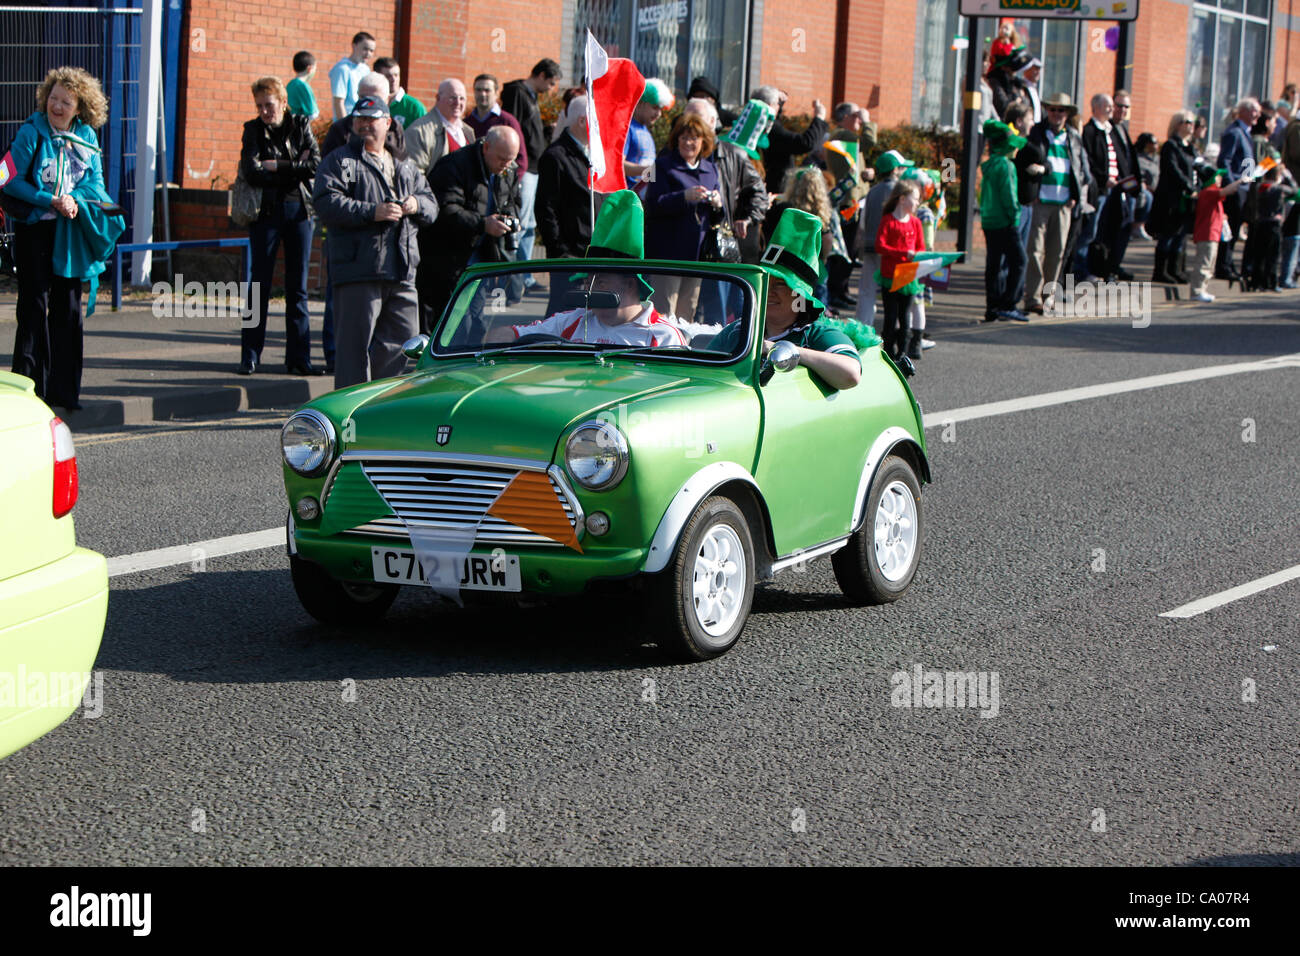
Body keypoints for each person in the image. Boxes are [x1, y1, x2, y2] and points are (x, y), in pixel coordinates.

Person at [3, 66, 122, 412]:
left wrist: (74, 199)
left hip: (70, 230)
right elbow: (8, 180)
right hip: (34, 230)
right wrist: (49, 199)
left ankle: (64, 393)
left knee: (68, 311)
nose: (57, 107)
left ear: (80, 106)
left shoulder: (87, 136)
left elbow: (95, 183)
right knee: (33, 307)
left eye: (65, 102)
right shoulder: (31, 132)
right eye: (53, 99)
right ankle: (29, 391)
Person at [311, 96, 438, 389]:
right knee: (353, 351)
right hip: (360, 269)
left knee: (402, 346)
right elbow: (326, 201)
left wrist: (414, 204)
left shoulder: (403, 164)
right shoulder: (343, 160)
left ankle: (384, 412)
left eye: (372, 119)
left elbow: (432, 204)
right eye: (360, 120)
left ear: (388, 123)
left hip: (402, 270)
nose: (365, 125)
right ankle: (348, 418)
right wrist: (372, 212)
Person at [486, 190, 686, 347]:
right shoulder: (572, 321)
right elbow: (509, 334)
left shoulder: (665, 338)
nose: (589, 288)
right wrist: (500, 342)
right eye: (588, 279)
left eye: (600, 280)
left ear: (631, 284)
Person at [710, 208, 862, 390]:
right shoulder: (739, 330)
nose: (769, 291)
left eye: (780, 284)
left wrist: (787, 350)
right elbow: (702, 369)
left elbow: (851, 374)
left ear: (800, 294)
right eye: (765, 281)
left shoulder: (814, 333)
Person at [237, 76, 322, 376]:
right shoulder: (253, 129)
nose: (264, 111)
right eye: (259, 106)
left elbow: (315, 165)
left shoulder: (300, 125)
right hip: (266, 213)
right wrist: (291, 168)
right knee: (258, 284)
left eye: (269, 105)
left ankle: (299, 358)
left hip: (299, 210)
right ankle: (250, 355)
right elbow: (251, 170)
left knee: (297, 287)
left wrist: (277, 166)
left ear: (283, 102)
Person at [419, 126, 521, 331]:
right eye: (502, 159)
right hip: (448, 258)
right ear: (486, 148)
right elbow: (445, 210)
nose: (506, 165)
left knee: (476, 322)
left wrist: (508, 219)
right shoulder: (453, 166)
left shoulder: (508, 169)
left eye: (511, 160)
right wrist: (483, 224)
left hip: (481, 259)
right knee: (454, 325)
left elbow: (512, 201)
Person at [644, 112, 723, 318]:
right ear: (676, 139)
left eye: (694, 138)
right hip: (668, 254)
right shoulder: (662, 166)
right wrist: (683, 197)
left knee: (687, 313)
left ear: (703, 141)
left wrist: (717, 203)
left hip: (697, 256)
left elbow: (719, 217)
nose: (689, 142)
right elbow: (652, 205)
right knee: (663, 312)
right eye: (684, 137)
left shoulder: (711, 169)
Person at [1022, 93, 1089, 315]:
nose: (1057, 114)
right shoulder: (1037, 132)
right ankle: (1032, 298)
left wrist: (1076, 194)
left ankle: (1048, 296)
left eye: (1061, 110)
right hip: (1041, 199)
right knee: (1034, 250)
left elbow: (1081, 168)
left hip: (1063, 202)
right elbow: (1026, 159)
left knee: (1057, 252)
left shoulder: (1074, 137)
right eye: (1053, 110)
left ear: (1067, 114)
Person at [501, 59, 562, 295]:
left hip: (534, 168)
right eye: (551, 82)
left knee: (529, 224)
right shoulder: (517, 93)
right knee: (523, 223)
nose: (549, 89)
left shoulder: (530, 96)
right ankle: (519, 277)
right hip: (525, 169)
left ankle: (524, 275)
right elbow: (514, 128)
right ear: (542, 75)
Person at [535, 95, 593, 316]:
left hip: (590, 251)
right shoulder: (556, 157)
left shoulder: (593, 155)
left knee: (584, 316)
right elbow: (545, 209)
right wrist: (560, 252)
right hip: (568, 255)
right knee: (562, 314)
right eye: (594, 121)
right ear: (581, 121)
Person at [822, 102, 873, 309]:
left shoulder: (849, 138)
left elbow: (854, 167)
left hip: (855, 198)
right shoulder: (842, 135)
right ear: (844, 118)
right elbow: (869, 141)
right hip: (846, 201)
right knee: (844, 248)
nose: (860, 120)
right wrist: (868, 121)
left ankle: (841, 289)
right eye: (856, 115)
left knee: (851, 248)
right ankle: (836, 290)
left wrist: (867, 175)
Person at [715, 97, 779, 262]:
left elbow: (758, 193)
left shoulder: (734, 152)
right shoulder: (733, 153)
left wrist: (759, 204)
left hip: (743, 229)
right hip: (735, 232)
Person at [855, 149, 914, 327]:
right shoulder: (899, 192)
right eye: (902, 167)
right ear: (895, 170)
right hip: (890, 249)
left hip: (869, 245)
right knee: (894, 292)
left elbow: (863, 221)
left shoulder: (872, 191)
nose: (904, 170)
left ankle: (862, 329)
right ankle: (898, 331)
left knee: (867, 291)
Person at [980, 119, 1029, 324]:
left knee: (994, 264)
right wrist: (1014, 215)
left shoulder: (989, 164)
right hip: (1005, 221)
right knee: (1019, 261)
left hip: (989, 220)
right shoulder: (1006, 165)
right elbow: (1008, 195)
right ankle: (1009, 304)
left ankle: (993, 307)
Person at [875, 180, 927, 361]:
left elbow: (921, 247)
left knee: (905, 317)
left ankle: (903, 353)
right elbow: (880, 246)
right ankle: (888, 351)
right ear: (902, 199)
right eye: (915, 199)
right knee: (890, 316)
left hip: (908, 277)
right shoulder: (888, 220)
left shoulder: (915, 223)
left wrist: (916, 255)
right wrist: (903, 253)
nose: (918, 203)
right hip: (890, 276)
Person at [1147, 110, 1198, 284]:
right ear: (1178, 124)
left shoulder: (1191, 148)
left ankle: (1176, 269)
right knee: (1168, 234)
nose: (1191, 126)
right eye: (1187, 122)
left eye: (1192, 122)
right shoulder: (1171, 146)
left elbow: (1197, 169)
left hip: (1186, 199)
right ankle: (1161, 271)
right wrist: (1188, 185)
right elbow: (1173, 169)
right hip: (1171, 198)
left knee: (1181, 235)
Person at [752, 85, 828, 194]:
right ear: (770, 106)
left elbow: (774, 118)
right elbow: (805, 143)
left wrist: (780, 102)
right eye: (777, 104)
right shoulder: (771, 129)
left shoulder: (753, 124)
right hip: (774, 189)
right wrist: (819, 118)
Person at [1217, 98, 1261, 280]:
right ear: (1243, 111)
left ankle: (1228, 264)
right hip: (1236, 188)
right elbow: (1225, 160)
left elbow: (1245, 161)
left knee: (1235, 231)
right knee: (1230, 229)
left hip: (1245, 188)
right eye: (1253, 110)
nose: (1257, 115)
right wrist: (1232, 183)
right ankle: (1223, 266)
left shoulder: (1245, 132)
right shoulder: (1234, 132)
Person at [1189, 167, 1244, 302]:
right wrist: (1241, 181)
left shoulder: (1212, 194)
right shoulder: (1208, 192)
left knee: (1210, 265)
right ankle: (1197, 290)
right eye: (1218, 177)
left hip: (1213, 234)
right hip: (1206, 234)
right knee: (1204, 264)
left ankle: (1203, 289)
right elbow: (1228, 190)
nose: (1220, 179)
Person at [405, 79, 475, 175]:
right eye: (453, 97)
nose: (457, 102)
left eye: (462, 98)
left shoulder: (468, 132)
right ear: (438, 98)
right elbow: (415, 175)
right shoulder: (419, 132)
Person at [464, 74, 526, 173]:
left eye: (487, 90)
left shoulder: (507, 121)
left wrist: (509, 184)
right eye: (478, 90)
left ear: (496, 93)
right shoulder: (467, 123)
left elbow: (521, 159)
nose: (482, 94)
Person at [1248, 163, 1296, 291]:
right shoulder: (1279, 189)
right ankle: (1271, 282)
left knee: (1259, 255)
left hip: (1260, 222)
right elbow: (1295, 190)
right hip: (1274, 224)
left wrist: (1263, 166)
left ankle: (1256, 282)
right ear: (1277, 175)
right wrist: (1288, 176)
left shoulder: (1259, 187)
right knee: (1273, 256)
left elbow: (1253, 179)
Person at [624, 79, 673, 195]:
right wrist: (651, 171)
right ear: (640, 103)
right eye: (655, 107)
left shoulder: (646, 131)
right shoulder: (627, 128)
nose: (659, 114)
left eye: (661, 109)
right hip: (627, 196)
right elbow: (618, 165)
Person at [329, 31, 376, 120]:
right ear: (354, 46)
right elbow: (338, 101)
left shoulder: (365, 69)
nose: (368, 53)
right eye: (365, 49)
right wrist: (343, 127)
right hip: (348, 122)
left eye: (371, 50)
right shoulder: (342, 69)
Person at [373, 57, 425, 130]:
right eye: (388, 76)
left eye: (396, 75)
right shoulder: (370, 104)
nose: (394, 79)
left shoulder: (414, 107)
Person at [1132, 131, 1159, 239]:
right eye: (1153, 143)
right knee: (1146, 197)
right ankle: (1138, 225)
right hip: (1144, 189)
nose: (1156, 145)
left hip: (1156, 189)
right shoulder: (1139, 158)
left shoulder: (1155, 158)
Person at [286, 51, 318, 120]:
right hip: (300, 125)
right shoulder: (304, 86)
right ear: (309, 69)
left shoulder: (290, 85)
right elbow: (313, 113)